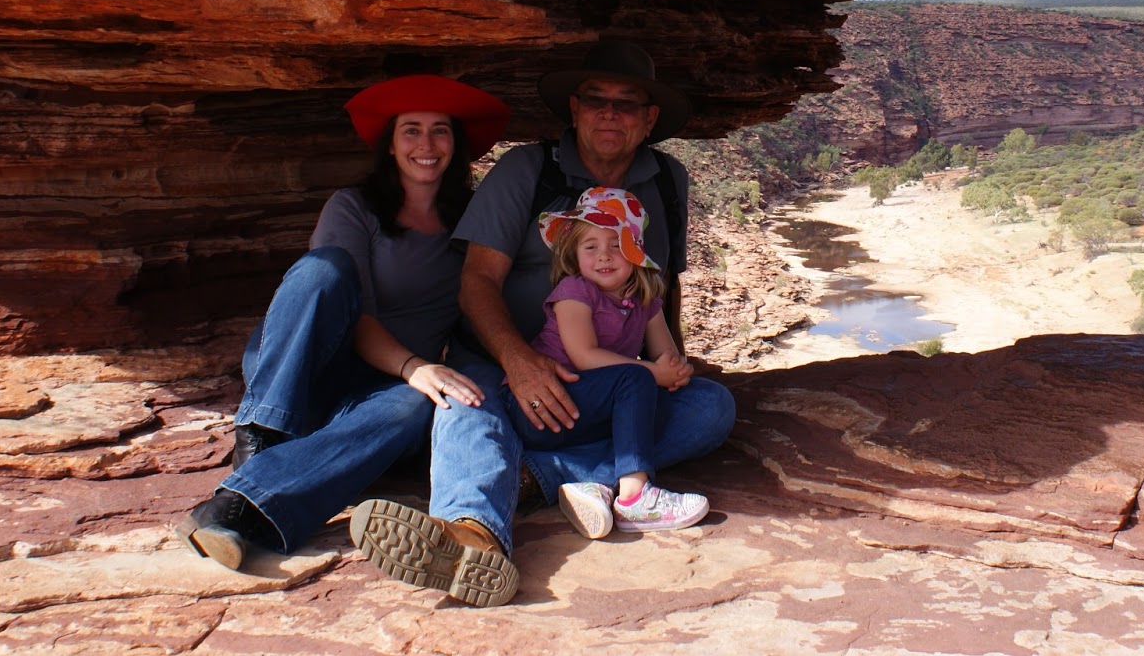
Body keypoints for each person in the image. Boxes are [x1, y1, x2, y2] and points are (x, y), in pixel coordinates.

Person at [351, 41, 735, 606]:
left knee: (710, 406)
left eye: (626, 104)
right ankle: (472, 535)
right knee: (466, 401)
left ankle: (538, 478)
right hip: (510, 354)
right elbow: (477, 281)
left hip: (612, 376)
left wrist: (669, 362)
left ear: (649, 119)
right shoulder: (526, 170)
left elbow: (662, 285)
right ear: (574, 110)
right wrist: (520, 361)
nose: (609, 113)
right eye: (596, 100)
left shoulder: (667, 179)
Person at [176, 74, 511, 588]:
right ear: (390, 143)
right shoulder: (353, 206)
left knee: (423, 402)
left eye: (440, 131)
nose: (426, 145)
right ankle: (263, 436)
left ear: (456, 143)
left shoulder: (472, 221)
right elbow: (353, 317)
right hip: (309, 367)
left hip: (383, 390)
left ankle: (240, 508)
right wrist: (414, 365)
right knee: (323, 269)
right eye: (411, 130)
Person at [520, 186, 709, 537]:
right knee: (634, 378)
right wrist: (654, 373)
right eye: (590, 247)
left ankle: (593, 481)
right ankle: (634, 497)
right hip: (548, 406)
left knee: (711, 404)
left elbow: (664, 354)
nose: (604, 257)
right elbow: (583, 356)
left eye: (616, 245)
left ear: (635, 251)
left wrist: (676, 371)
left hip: (600, 411)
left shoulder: (645, 295)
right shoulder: (575, 291)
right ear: (575, 255)